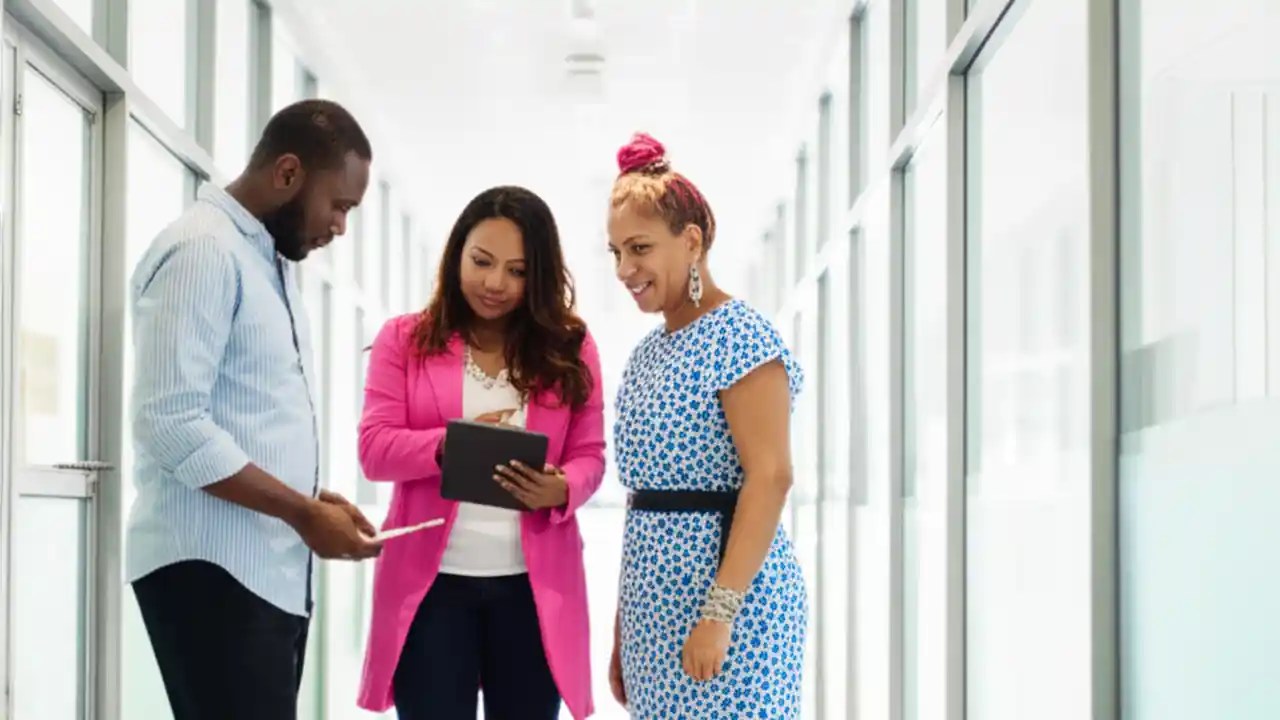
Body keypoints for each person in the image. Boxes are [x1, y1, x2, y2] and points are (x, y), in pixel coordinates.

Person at [127, 99, 382, 720]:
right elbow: (170, 421)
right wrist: (299, 510)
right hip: (212, 571)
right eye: (339, 205)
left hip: (260, 570)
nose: (340, 227)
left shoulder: (265, 259)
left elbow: (250, 415)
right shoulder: (204, 251)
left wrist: (310, 497)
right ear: (288, 174)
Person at [355, 185, 605, 720]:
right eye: (482, 262)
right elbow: (374, 451)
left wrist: (563, 487)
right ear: (456, 255)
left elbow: (590, 455)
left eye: (517, 271)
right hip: (431, 591)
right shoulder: (404, 339)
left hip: (534, 594)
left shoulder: (571, 348)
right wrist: (451, 444)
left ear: (538, 275)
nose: (495, 283)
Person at [605, 133, 808, 718]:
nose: (625, 269)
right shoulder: (646, 353)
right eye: (615, 251)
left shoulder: (742, 336)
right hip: (653, 616)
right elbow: (641, 499)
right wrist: (625, 623)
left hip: (731, 617)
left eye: (639, 247)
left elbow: (770, 477)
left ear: (690, 242)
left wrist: (719, 615)